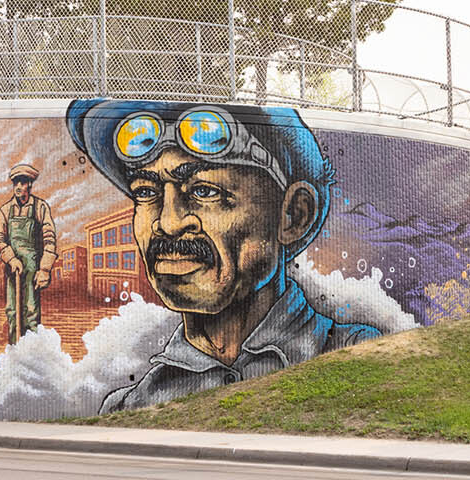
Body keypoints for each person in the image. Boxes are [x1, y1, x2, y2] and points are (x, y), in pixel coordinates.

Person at [65, 100, 380, 412]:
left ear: (293, 216)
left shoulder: (357, 358)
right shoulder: (127, 408)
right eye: (147, 192)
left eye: (205, 191)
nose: (169, 223)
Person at [0, 163, 57, 343]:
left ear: (30, 184)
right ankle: (15, 354)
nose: (19, 187)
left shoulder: (40, 207)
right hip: (13, 269)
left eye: (23, 183)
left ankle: (31, 356)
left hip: (32, 271)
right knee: (12, 312)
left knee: (31, 312)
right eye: (16, 183)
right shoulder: (5, 211)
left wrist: (44, 269)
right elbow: (0, 240)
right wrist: (11, 259)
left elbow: (49, 238)